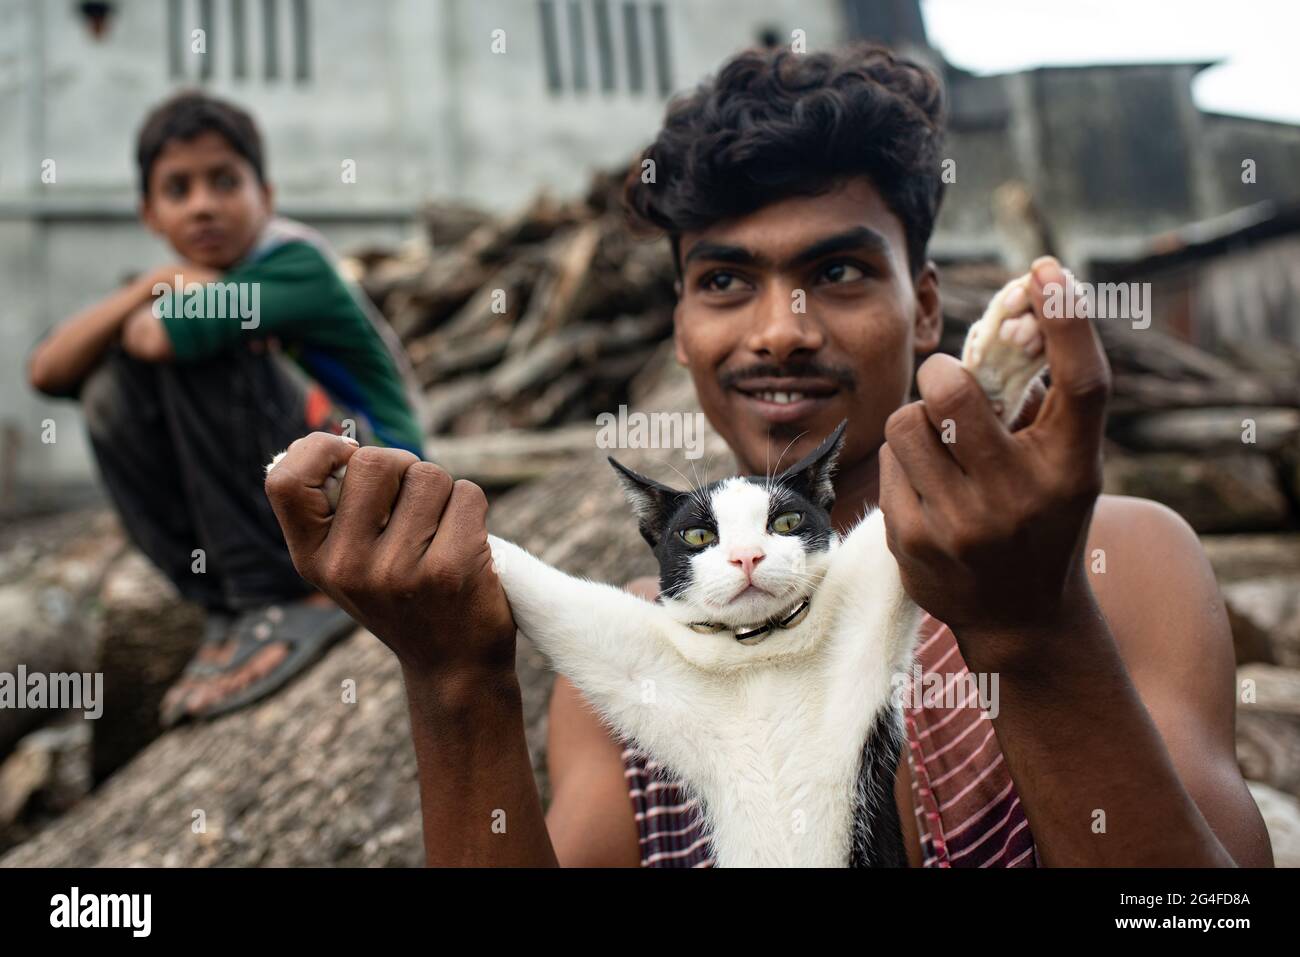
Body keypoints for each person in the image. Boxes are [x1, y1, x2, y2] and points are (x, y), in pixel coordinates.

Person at [264, 44, 1271, 866]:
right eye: (725, 281)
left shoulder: (1118, 563)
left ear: (921, 307)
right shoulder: (628, 680)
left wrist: (1032, 630)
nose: (781, 330)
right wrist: (452, 684)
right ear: (679, 328)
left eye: (836, 271)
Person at [27, 91, 425, 726]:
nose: (204, 203)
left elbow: (156, 335)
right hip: (307, 475)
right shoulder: (183, 282)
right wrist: (149, 284)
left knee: (196, 344)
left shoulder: (295, 263)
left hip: (380, 483)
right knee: (109, 390)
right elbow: (47, 372)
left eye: (224, 181)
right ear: (149, 213)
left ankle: (288, 596)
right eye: (178, 189)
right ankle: (227, 604)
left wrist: (167, 300)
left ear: (265, 196)